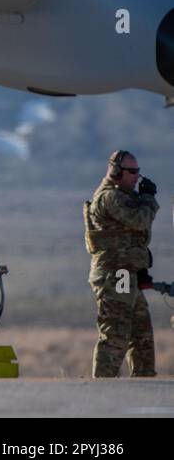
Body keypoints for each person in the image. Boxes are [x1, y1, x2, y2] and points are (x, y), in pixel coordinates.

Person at [84, 150, 158, 378]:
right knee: (116, 331)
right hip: (116, 275)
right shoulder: (110, 198)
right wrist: (148, 199)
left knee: (141, 332)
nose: (137, 177)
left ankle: (144, 382)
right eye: (132, 172)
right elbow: (139, 220)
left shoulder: (123, 196)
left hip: (126, 275)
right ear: (116, 172)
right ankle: (104, 387)